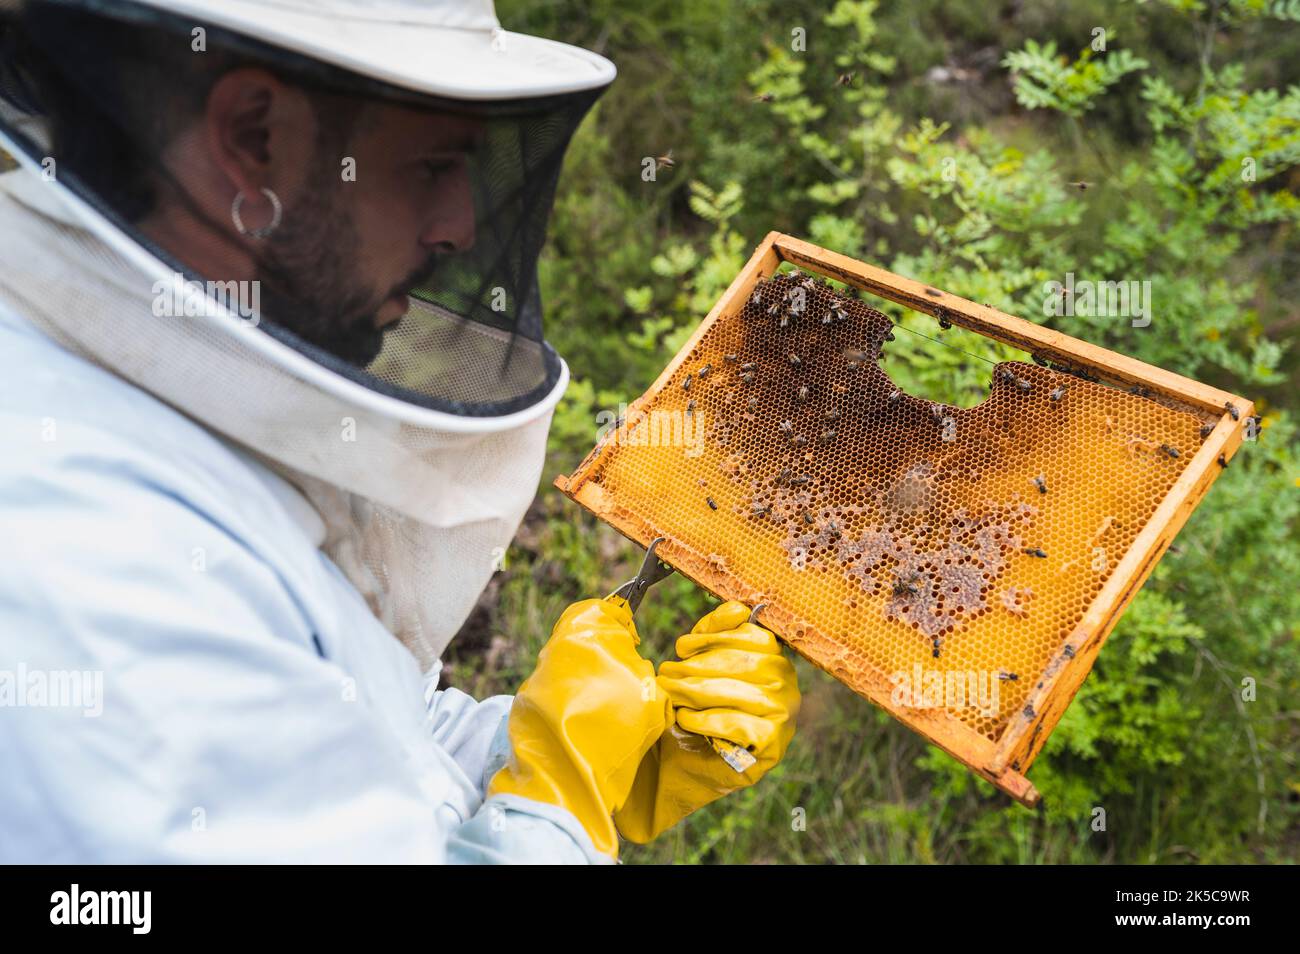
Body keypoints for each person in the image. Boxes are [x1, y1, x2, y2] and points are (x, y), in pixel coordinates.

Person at [0, 0, 800, 863]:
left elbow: (362, 739)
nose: (460, 224)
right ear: (254, 138)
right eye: (432, 164)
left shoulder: (180, 385)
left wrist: (580, 751)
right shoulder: (80, 561)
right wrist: (558, 803)